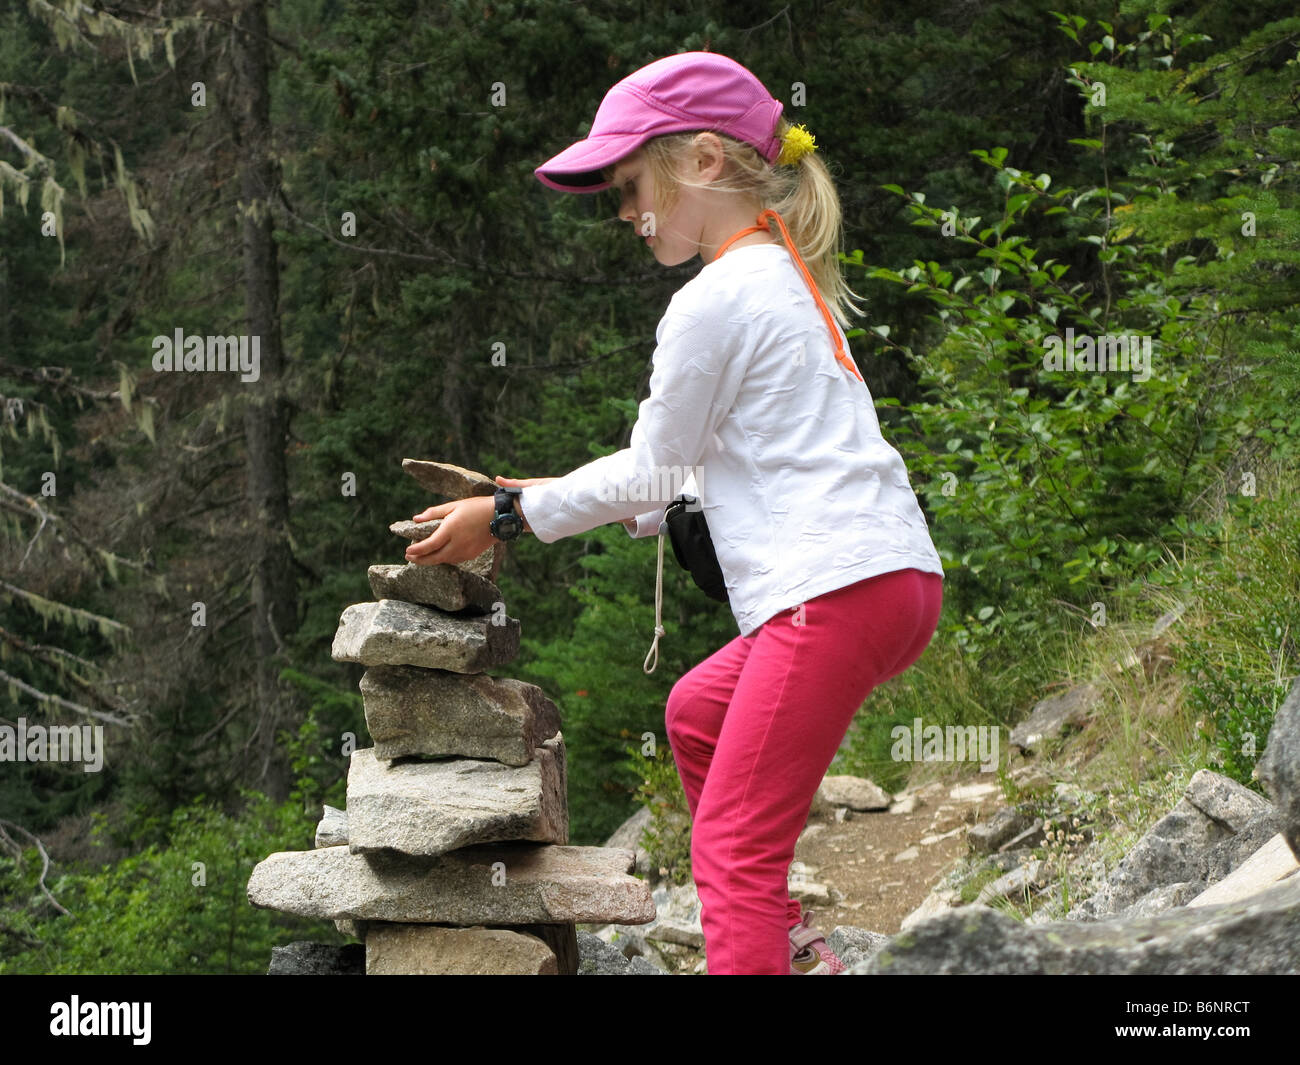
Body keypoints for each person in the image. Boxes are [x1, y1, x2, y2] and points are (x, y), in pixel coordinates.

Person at [404, 51, 945, 975]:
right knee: (697, 710)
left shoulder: (714, 297)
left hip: (829, 591)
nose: (620, 212)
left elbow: (651, 474)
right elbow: (698, 472)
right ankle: (789, 946)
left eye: (625, 185)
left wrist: (505, 515)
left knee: (729, 851)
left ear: (701, 162)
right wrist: (536, 496)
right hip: (891, 580)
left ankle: (758, 940)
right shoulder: (785, 276)